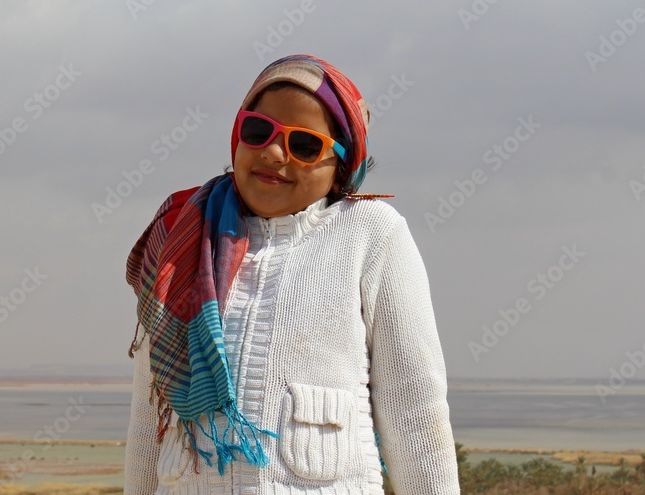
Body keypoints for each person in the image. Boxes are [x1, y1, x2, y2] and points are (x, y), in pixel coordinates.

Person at [124, 54, 459, 493]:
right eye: (259, 131)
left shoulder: (371, 234)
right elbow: (149, 419)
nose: (274, 153)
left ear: (342, 164)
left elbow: (416, 416)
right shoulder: (184, 239)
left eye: (304, 146)